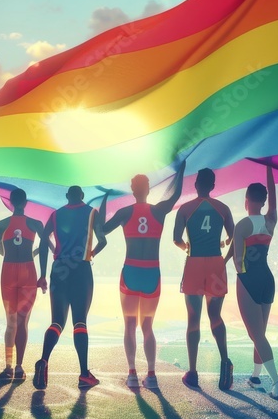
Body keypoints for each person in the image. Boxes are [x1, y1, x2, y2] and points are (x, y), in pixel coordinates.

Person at [99, 163, 185, 389]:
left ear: (132, 189)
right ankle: (152, 375)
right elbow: (176, 193)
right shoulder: (158, 210)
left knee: (129, 325)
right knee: (147, 326)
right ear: (148, 189)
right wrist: (181, 170)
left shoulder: (125, 212)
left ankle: (132, 375)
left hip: (131, 272)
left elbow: (102, 229)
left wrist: (103, 200)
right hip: (151, 273)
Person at [32, 186, 107, 390]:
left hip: (59, 270)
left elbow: (43, 240)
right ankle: (84, 374)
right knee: (80, 321)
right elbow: (103, 240)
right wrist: (91, 252)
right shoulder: (92, 212)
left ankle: (44, 360)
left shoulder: (56, 215)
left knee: (57, 322)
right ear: (82, 196)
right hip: (81, 269)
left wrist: (43, 274)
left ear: (67, 197)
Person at [173, 168, 235, 390]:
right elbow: (233, 237)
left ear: (196, 184)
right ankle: (225, 360)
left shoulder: (186, 209)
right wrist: (224, 245)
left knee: (193, 319)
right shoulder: (223, 208)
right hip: (216, 265)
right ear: (213, 186)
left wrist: (187, 246)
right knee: (215, 316)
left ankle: (192, 372)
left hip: (194, 263)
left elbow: (176, 239)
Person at [0, 188, 49, 384]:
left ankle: (8, 366)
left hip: (9, 272)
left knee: (10, 322)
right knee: (23, 323)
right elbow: (44, 247)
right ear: (25, 202)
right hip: (28, 272)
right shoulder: (35, 224)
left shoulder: (2, 224)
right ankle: (19, 367)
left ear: (10, 202)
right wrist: (43, 274)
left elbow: (1, 250)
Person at [229, 166, 278, 398]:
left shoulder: (242, 225)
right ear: (262, 201)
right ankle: (255, 376)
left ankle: (277, 382)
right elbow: (274, 198)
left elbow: (238, 261)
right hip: (267, 278)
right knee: (259, 332)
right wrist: (270, 169)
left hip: (249, 278)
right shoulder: (271, 219)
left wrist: (243, 277)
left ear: (246, 200)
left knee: (257, 334)